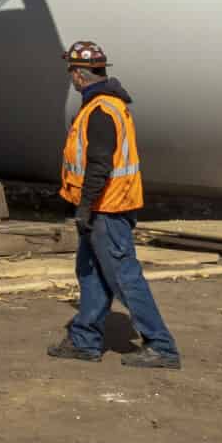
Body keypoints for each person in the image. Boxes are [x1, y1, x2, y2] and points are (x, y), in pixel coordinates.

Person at [49, 39, 181, 369]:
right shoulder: (107, 106)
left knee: (124, 279)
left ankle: (161, 345)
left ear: (79, 75)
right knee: (91, 275)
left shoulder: (100, 111)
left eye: (71, 72)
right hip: (104, 208)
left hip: (106, 210)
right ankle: (85, 340)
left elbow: (99, 164)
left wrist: (86, 207)